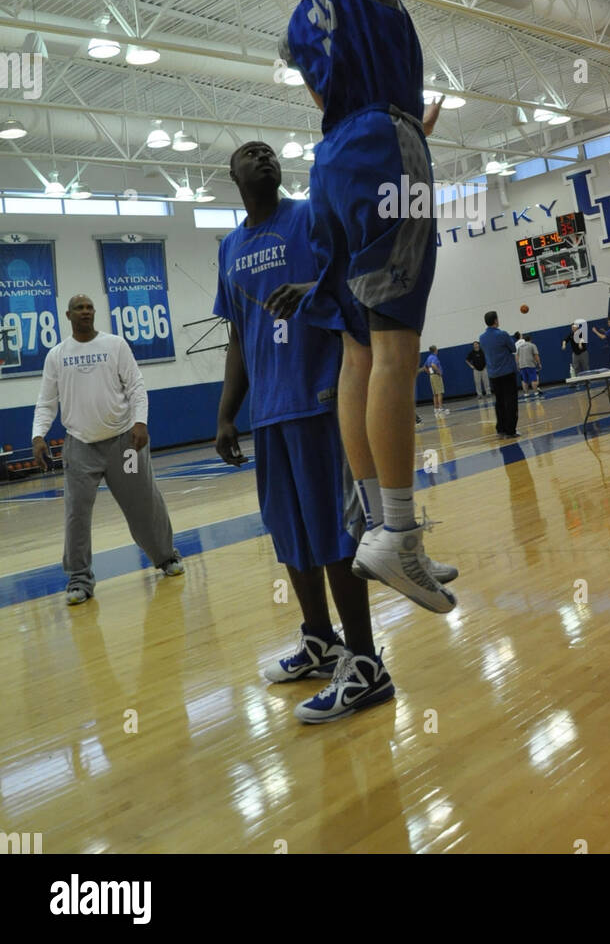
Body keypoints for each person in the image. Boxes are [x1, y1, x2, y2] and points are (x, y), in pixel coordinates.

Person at [269, 0, 454, 615]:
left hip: (337, 163)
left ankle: (380, 523)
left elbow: (331, 103)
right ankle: (400, 534)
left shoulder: (294, 27)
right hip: (384, 149)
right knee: (395, 346)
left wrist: (404, 122)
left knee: (354, 352)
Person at [214, 143, 453, 722]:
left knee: (337, 538)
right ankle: (320, 641)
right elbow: (238, 337)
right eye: (251, 154)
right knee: (292, 537)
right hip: (268, 413)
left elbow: (354, 286)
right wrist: (226, 412)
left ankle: (366, 662)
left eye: (269, 152)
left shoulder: (309, 217)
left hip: (323, 398)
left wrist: (312, 292)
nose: (264, 157)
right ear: (233, 176)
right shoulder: (228, 246)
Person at [31, 294, 184, 606]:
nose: (85, 312)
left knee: (143, 504)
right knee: (76, 514)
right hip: (80, 447)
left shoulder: (115, 345)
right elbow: (47, 401)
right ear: (68, 315)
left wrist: (140, 422)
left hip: (124, 444)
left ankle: (166, 557)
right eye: (79, 308)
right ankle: (79, 580)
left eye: (89, 307)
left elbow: (136, 387)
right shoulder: (57, 355)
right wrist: (38, 435)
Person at [479, 310, 519, 438]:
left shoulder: (482, 338)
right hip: (506, 372)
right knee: (510, 401)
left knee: (499, 401)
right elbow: (513, 348)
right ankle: (510, 430)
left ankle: (500, 429)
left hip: (493, 374)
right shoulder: (503, 334)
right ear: (496, 320)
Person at [421, 346, 449, 419]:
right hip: (436, 376)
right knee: (439, 392)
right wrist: (438, 372)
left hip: (432, 376)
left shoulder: (429, 357)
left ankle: (436, 409)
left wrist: (429, 373)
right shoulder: (434, 357)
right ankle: (440, 408)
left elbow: (425, 367)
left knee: (435, 393)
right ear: (435, 350)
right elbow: (433, 365)